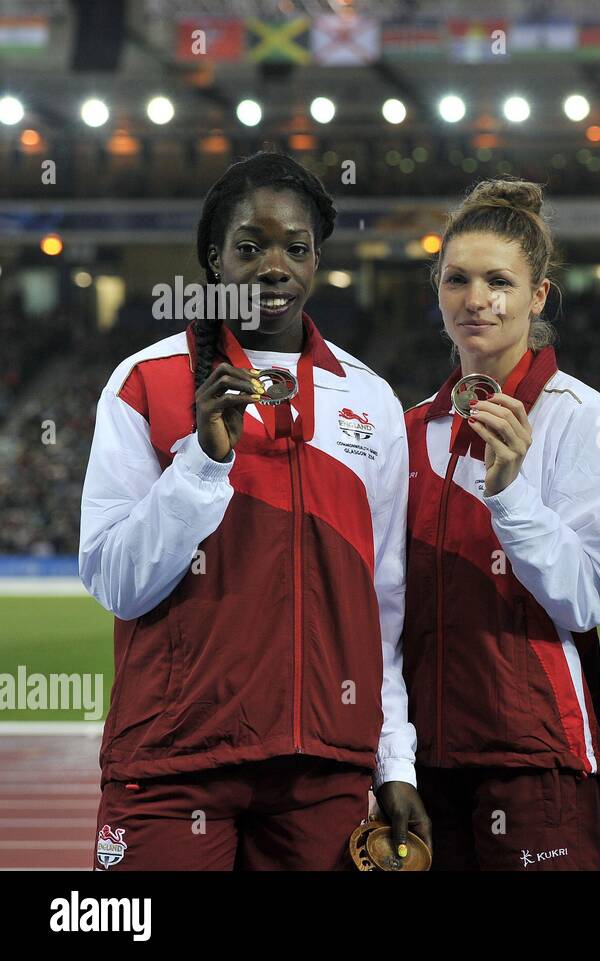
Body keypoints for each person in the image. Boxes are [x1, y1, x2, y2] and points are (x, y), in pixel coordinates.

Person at [79, 151, 428, 870]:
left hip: (320, 770)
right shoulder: (145, 381)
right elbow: (115, 579)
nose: (275, 266)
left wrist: (395, 761)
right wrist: (202, 464)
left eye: (295, 247)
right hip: (176, 763)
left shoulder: (370, 399)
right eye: (249, 246)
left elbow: (384, 605)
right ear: (213, 259)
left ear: (316, 259)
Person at [403, 179, 600, 870]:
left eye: (499, 280)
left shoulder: (582, 417)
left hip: (536, 760)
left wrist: (509, 495)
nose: (476, 299)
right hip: (422, 765)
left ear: (537, 295)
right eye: (457, 280)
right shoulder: (411, 430)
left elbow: (591, 596)